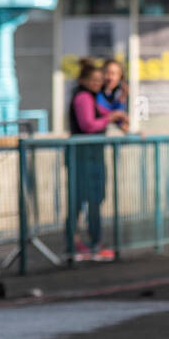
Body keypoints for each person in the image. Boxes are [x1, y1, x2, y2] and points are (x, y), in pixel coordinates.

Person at [69, 60, 127, 260]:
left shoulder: (93, 97)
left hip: (91, 155)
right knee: (83, 201)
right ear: (83, 80)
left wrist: (117, 111)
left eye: (99, 80)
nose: (98, 83)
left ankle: (92, 242)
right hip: (84, 156)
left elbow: (108, 111)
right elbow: (88, 125)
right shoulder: (83, 97)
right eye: (94, 80)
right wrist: (110, 118)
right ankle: (84, 243)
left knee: (92, 199)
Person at [96, 58, 129, 132]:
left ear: (120, 76)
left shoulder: (126, 94)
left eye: (113, 74)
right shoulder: (96, 93)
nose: (110, 77)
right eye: (107, 73)